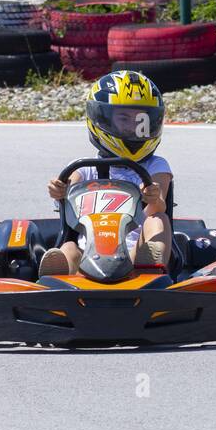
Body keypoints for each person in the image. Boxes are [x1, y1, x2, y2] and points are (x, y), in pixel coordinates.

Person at [38, 70, 172, 277]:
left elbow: (159, 202)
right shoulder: (83, 168)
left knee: (157, 220)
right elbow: (68, 191)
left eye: (140, 119)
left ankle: (150, 268)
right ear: (102, 119)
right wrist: (59, 190)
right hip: (90, 253)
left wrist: (152, 196)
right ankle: (60, 274)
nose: (133, 126)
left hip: (135, 250)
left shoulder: (155, 166)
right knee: (70, 249)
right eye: (124, 118)